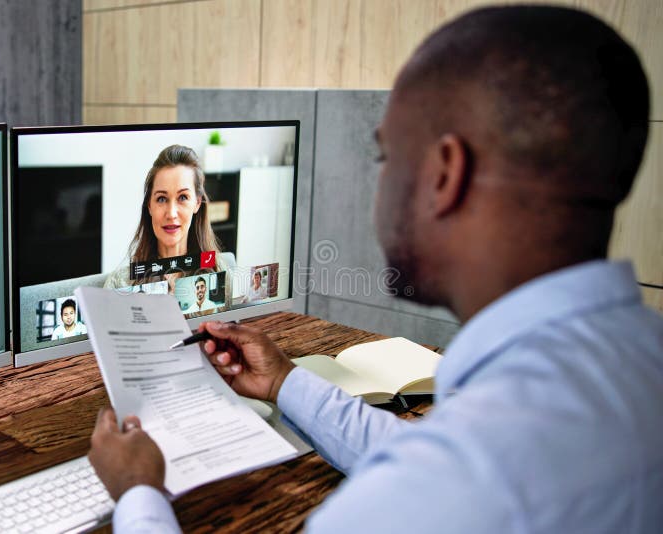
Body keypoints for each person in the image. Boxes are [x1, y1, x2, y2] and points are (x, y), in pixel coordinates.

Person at [88, 5, 663, 533]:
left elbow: (443, 479)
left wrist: (140, 494)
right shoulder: (636, 360)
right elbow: (428, 456)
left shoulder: (457, 485)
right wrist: (285, 381)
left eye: (387, 157)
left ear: (444, 173)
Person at [103, 144, 226, 291]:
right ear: (149, 205)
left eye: (182, 197)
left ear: (197, 203)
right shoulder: (120, 283)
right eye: (161, 199)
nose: (171, 214)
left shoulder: (219, 271)